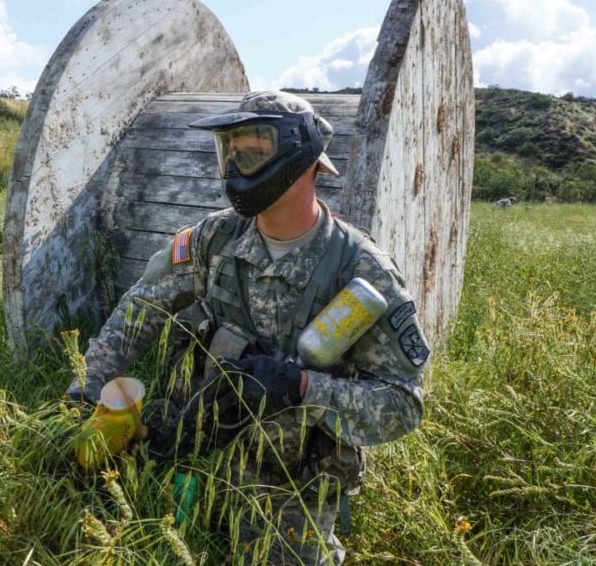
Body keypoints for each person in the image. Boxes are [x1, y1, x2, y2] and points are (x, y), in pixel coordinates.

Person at [66, 90, 429, 565]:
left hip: (290, 480)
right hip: (194, 445)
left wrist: (301, 386)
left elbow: (401, 405)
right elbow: (137, 315)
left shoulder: (360, 271)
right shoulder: (213, 239)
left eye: (254, 151)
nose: (236, 166)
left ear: (303, 160)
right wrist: (82, 394)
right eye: (229, 151)